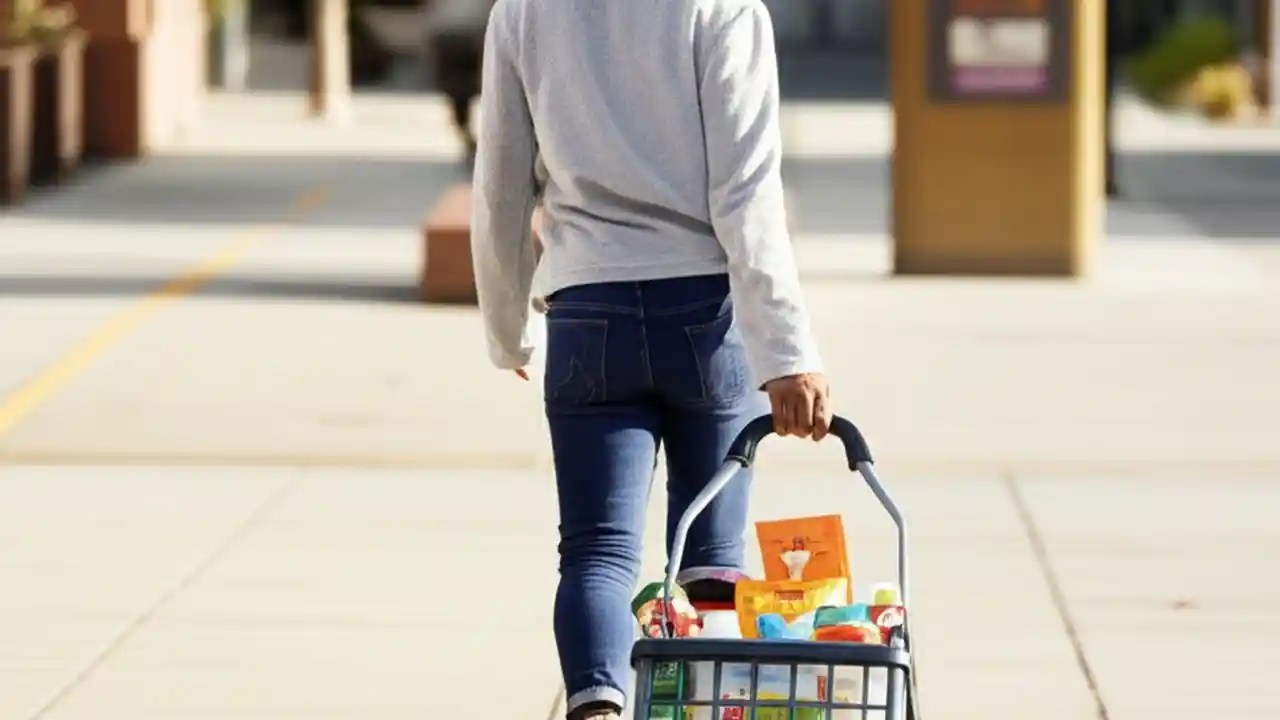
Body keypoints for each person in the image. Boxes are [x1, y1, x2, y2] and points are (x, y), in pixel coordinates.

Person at [468, 1, 831, 718]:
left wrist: (509, 327)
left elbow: (501, 182)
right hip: (706, 317)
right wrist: (787, 352)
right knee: (712, 566)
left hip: (586, 311)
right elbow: (747, 193)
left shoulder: (523, 12)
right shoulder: (722, 8)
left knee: (597, 554)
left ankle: (597, 706)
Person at [423, 0, 493, 162]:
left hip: (470, 32)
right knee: (458, 91)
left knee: (477, 89)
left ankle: (477, 139)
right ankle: (469, 137)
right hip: (455, 33)